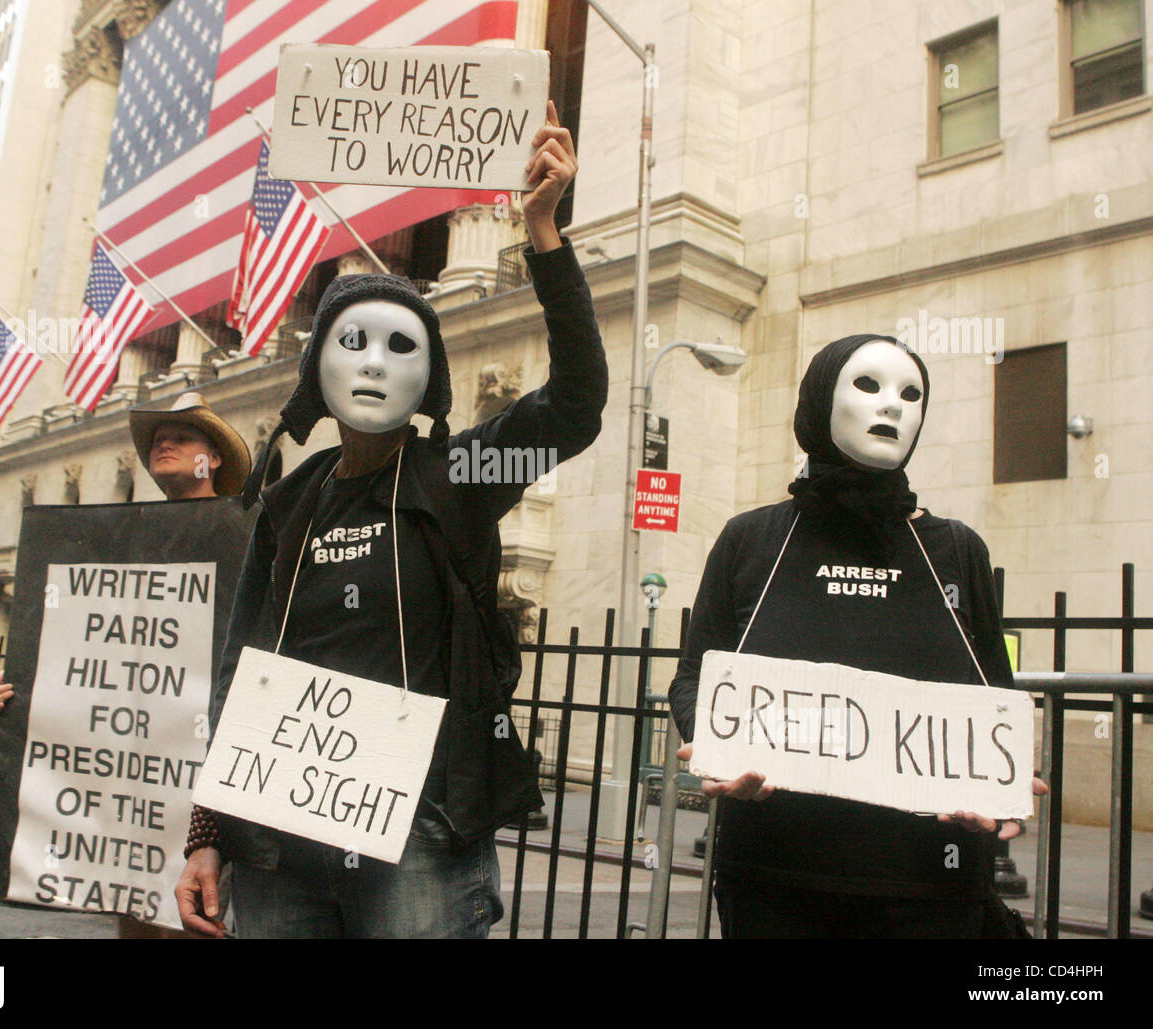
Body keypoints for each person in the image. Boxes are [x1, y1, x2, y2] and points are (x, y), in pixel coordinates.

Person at [175, 102, 607, 939]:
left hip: (421, 838)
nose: (374, 363)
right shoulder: (286, 502)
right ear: (317, 371)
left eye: (401, 347)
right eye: (354, 342)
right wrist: (208, 832)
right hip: (279, 840)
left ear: (432, 379)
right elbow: (242, 664)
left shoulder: (464, 475)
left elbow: (579, 405)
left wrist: (544, 234)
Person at [669, 333, 1045, 939]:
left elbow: (991, 697)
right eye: (867, 385)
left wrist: (997, 783)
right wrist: (715, 745)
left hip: (930, 884)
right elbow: (693, 679)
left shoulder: (956, 549)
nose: (891, 405)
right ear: (820, 400)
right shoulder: (750, 540)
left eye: (911, 393)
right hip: (775, 876)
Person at [0, 392, 250, 938]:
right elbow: (91, 656)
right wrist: (24, 697)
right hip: (131, 787)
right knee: (133, 915)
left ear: (215, 458)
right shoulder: (118, 543)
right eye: (158, 436)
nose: (164, 441)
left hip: (206, 782)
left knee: (192, 921)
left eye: (183, 435)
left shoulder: (246, 539)